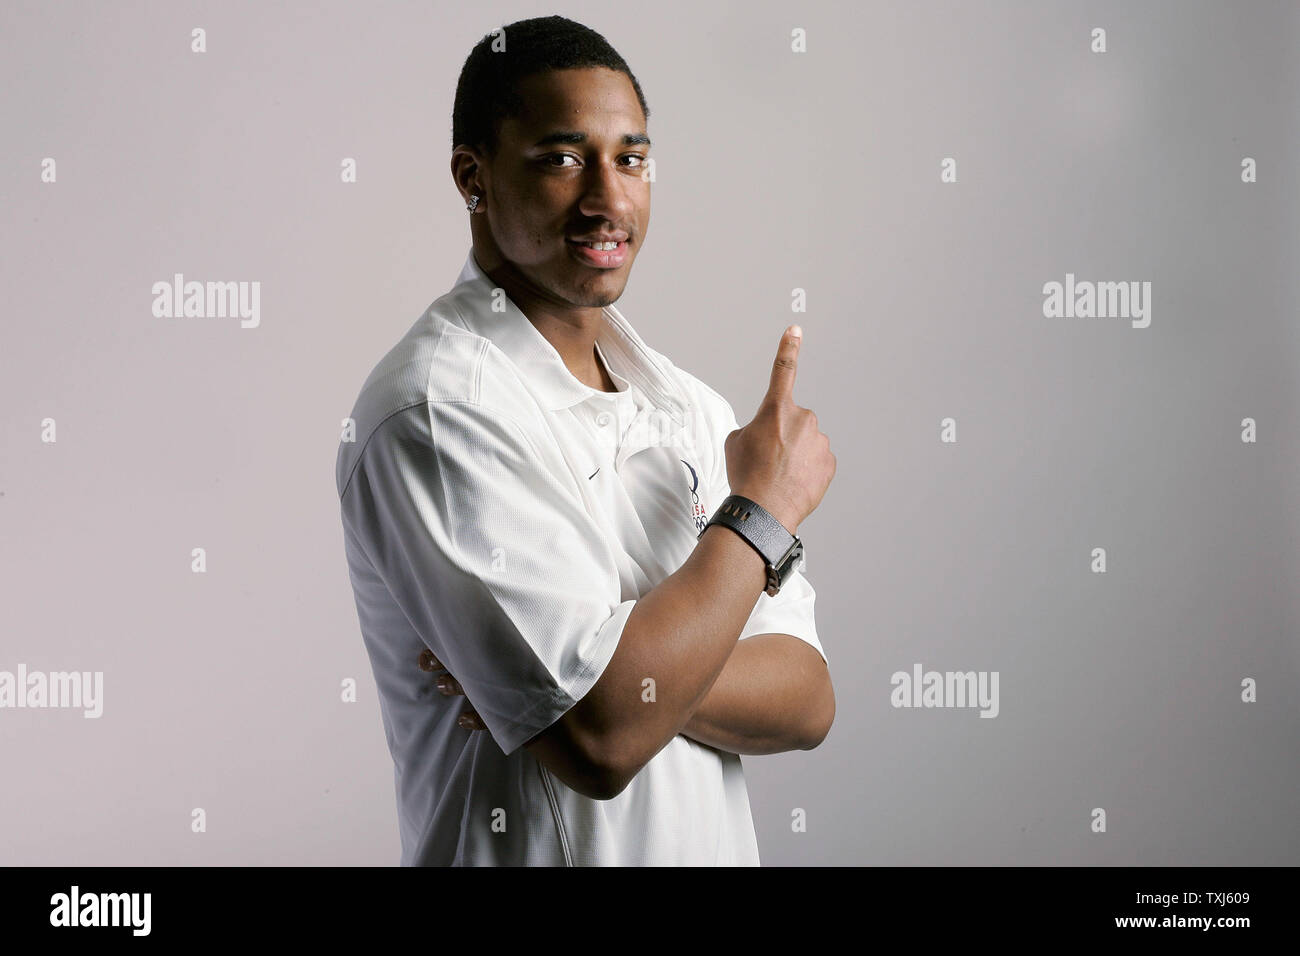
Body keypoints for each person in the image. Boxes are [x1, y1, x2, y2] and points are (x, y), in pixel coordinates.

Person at [335, 15, 836, 866]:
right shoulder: (435, 408)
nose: (608, 197)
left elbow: (806, 701)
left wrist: (618, 677)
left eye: (630, 158)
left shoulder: (690, 406)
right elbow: (600, 741)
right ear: (474, 177)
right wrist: (759, 514)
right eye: (562, 158)